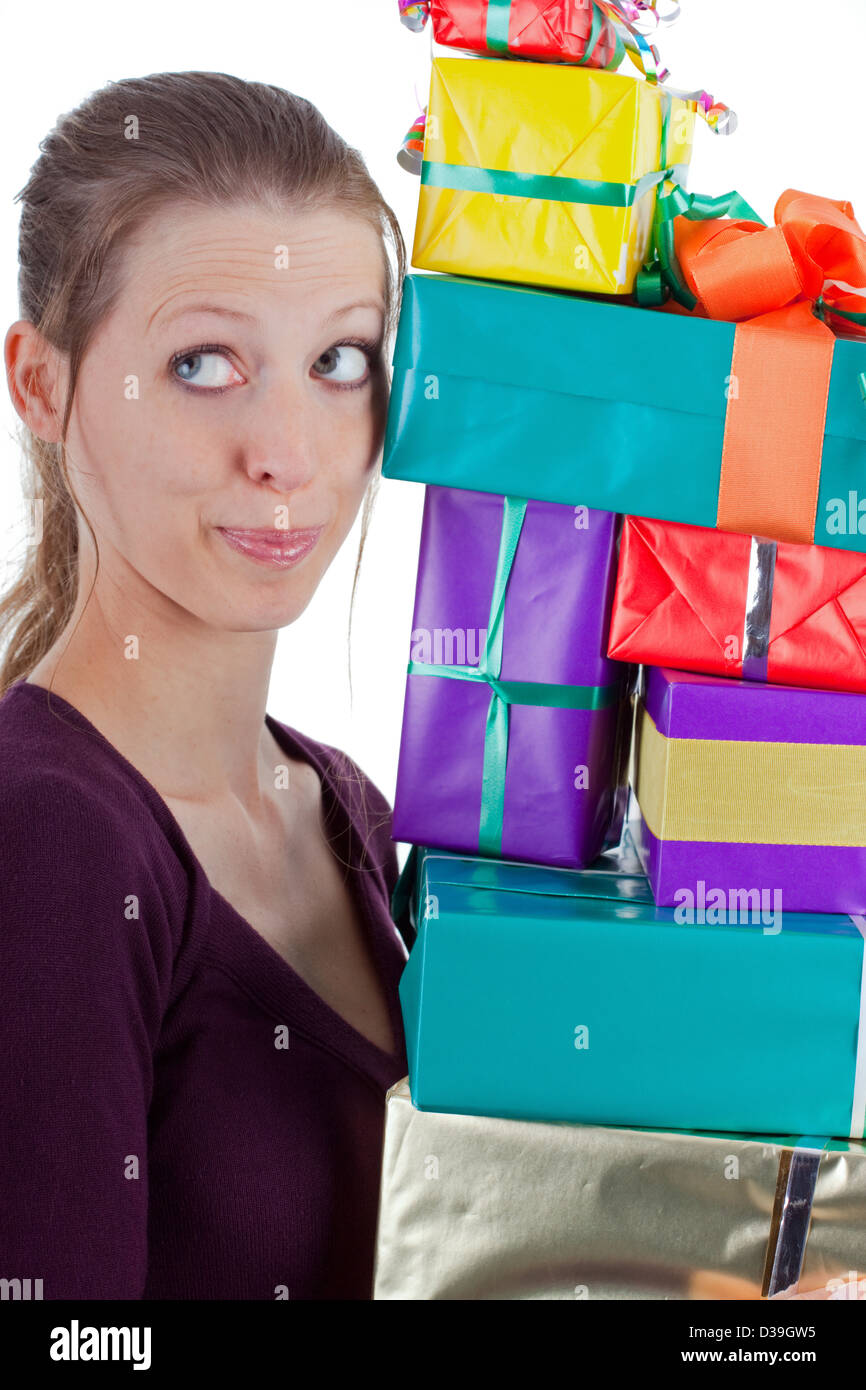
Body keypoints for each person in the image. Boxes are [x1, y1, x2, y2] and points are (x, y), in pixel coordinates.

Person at [0, 70, 412, 1300]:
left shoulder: (345, 808)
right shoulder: (53, 838)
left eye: (338, 358)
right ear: (44, 384)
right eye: (204, 364)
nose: (285, 453)